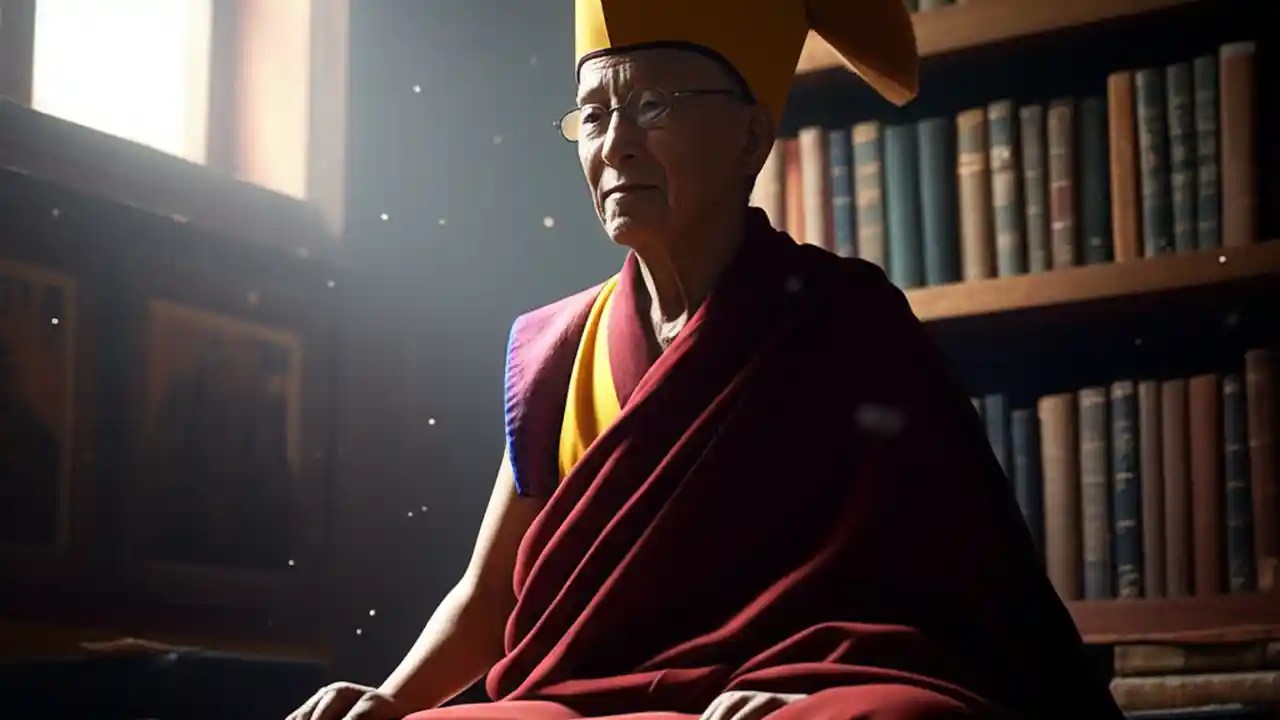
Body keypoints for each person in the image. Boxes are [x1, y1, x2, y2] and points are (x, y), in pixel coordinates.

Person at [289, 0, 1126, 718]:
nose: (613, 146)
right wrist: (389, 700)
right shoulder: (557, 350)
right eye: (592, 113)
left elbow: (953, 581)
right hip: (585, 697)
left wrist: (813, 690)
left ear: (750, 135)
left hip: (802, 686)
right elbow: (489, 595)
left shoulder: (842, 319)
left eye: (653, 105)